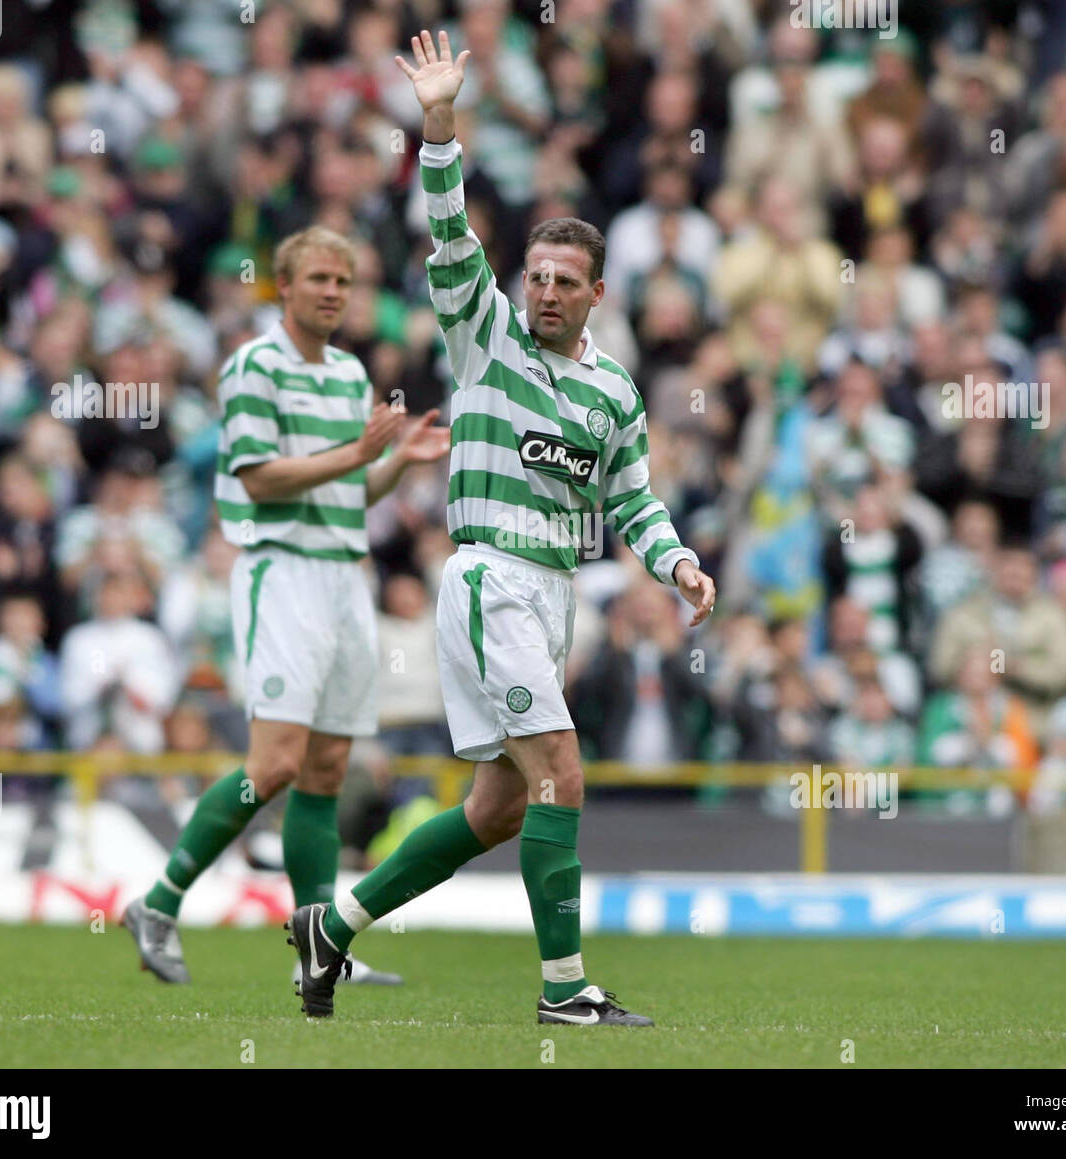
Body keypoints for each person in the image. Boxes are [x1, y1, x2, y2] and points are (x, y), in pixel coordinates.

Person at [284, 30, 715, 1028]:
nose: (547, 290)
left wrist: (680, 563)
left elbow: (632, 501)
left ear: (597, 294)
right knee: (561, 769)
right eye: (539, 274)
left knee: (499, 806)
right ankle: (564, 990)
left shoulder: (613, 390)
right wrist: (440, 123)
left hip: (551, 593)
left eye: (567, 281)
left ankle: (333, 924)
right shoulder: (483, 333)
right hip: (488, 580)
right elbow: (446, 231)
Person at [121, 224, 450, 986]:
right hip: (282, 573)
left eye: (345, 280)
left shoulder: (347, 371)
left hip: (343, 578)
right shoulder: (252, 367)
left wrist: (396, 462)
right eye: (320, 279)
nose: (335, 292)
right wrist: (360, 455)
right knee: (271, 764)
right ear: (285, 284)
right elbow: (261, 477)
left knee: (326, 770)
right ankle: (159, 902)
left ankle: (318, 950)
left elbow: (349, 486)